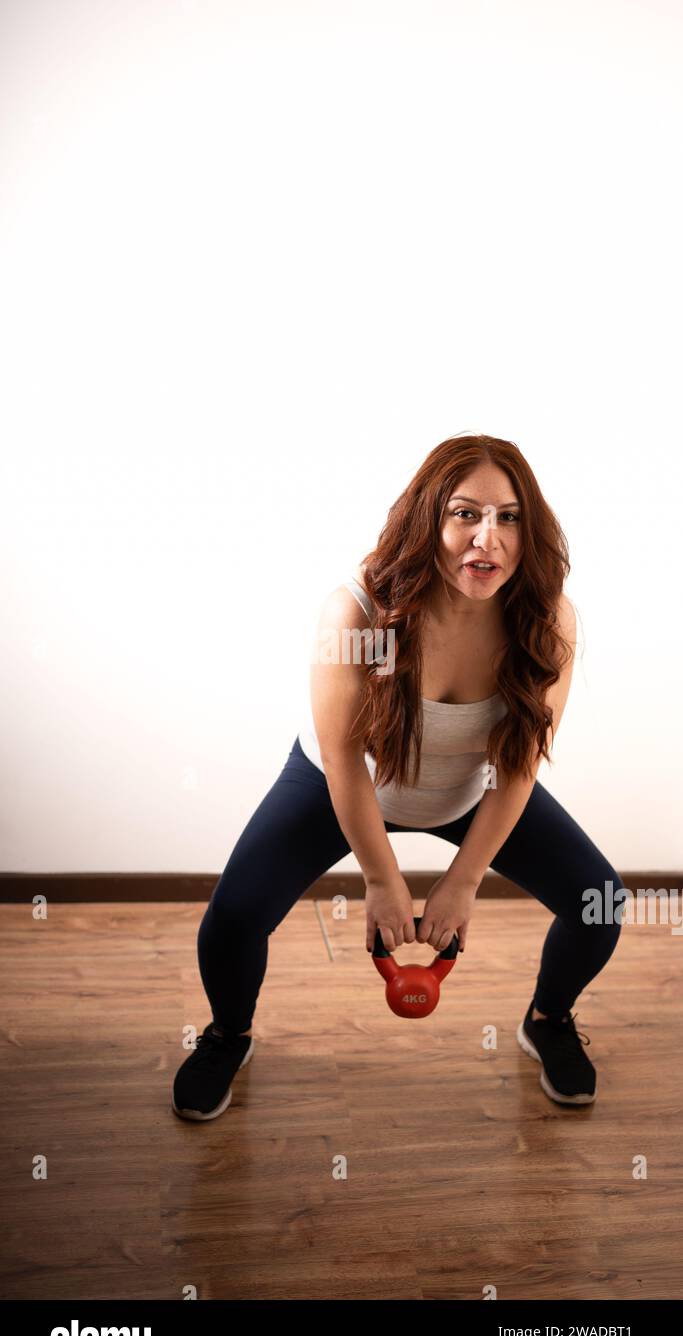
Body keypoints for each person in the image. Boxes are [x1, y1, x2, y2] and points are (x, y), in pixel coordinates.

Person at [172, 433, 624, 1121]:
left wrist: (464, 880)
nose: (488, 538)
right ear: (427, 519)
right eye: (464, 514)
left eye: (508, 518)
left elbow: (516, 766)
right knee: (233, 919)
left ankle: (547, 1020)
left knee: (601, 902)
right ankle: (227, 1035)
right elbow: (343, 758)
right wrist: (381, 880)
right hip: (343, 784)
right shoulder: (355, 610)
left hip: (469, 792)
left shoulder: (545, 619)